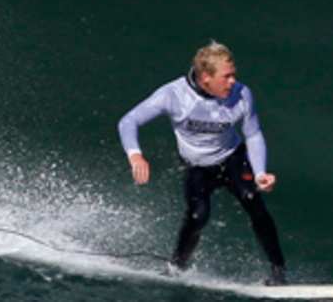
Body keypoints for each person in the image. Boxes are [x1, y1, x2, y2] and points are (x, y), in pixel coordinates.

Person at [117, 41, 287, 285]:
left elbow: (253, 134)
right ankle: (177, 268)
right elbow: (128, 121)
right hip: (196, 166)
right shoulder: (173, 95)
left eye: (234, 75)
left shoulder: (242, 94)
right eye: (226, 77)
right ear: (206, 77)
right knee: (198, 216)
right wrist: (135, 155)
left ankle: (279, 273)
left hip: (232, 158)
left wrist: (260, 172)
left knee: (253, 200)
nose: (233, 82)